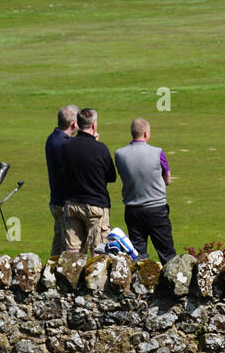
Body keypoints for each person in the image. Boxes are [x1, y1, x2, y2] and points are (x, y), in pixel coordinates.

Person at [114, 118, 176, 262]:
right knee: (167, 254)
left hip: (132, 209)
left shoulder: (119, 154)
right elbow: (168, 180)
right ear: (146, 134)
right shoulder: (157, 152)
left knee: (138, 254)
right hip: (156, 209)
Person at [59, 108, 116, 254]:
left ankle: (71, 276)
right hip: (95, 205)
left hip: (72, 204)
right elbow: (111, 177)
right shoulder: (101, 149)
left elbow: (63, 173)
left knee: (72, 251)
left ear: (77, 123)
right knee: (99, 253)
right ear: (94, 125)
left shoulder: (66, 147)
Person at [45, 105, 78, 256]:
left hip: (56, 199)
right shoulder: (66, 143)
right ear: (73, 124)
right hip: (66, 202)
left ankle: (49, 275)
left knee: (58, 244)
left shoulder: (52, 138)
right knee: (69, 247)